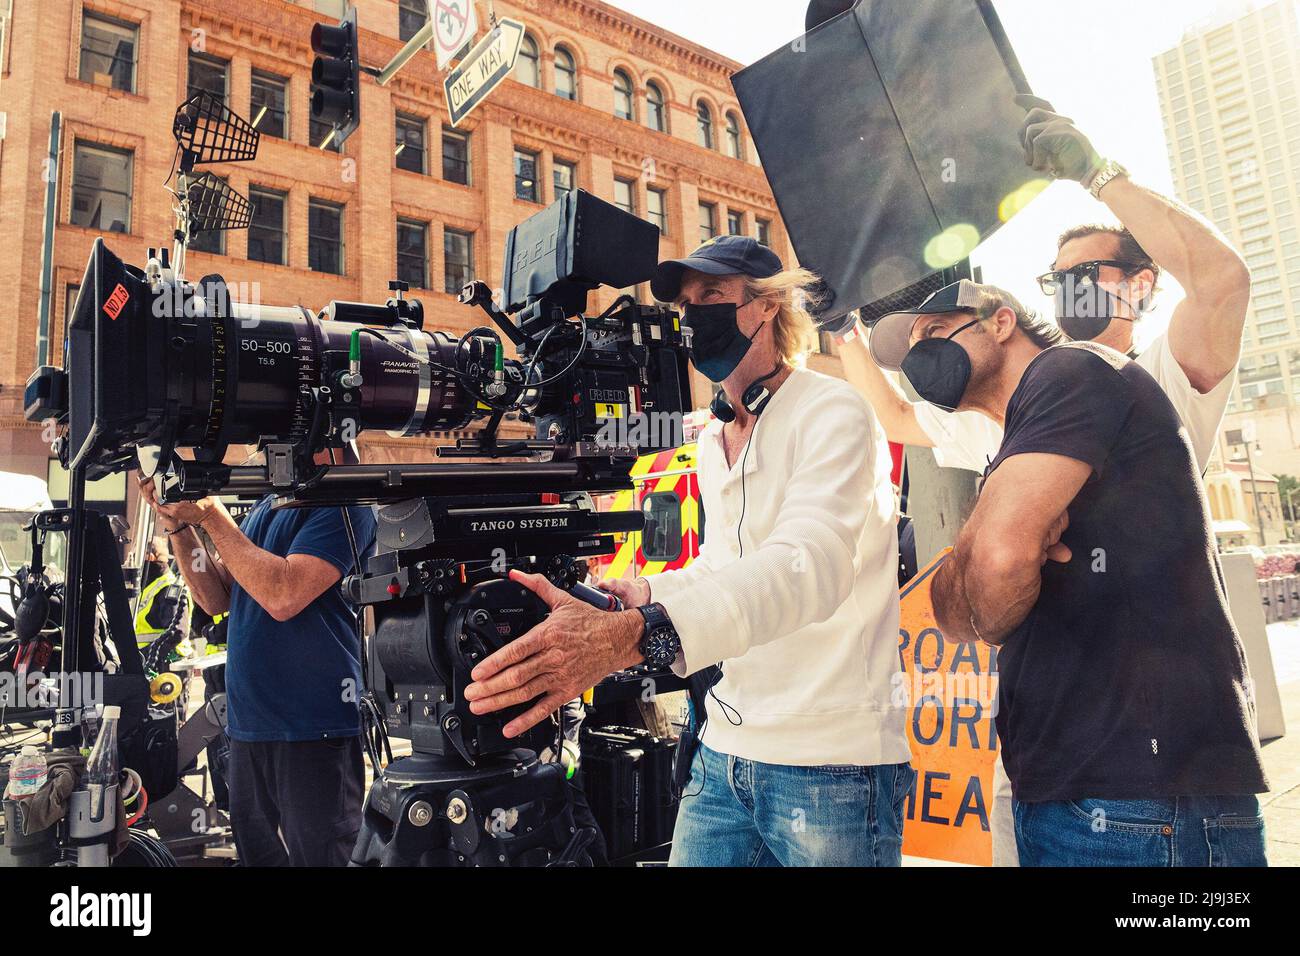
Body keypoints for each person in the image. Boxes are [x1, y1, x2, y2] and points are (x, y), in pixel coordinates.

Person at [841, 95, 1252, 865]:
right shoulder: (1011, 405)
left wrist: (1097, 174)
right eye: (1054, 275)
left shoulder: (1155, 372)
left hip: (1148, 776)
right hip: (1045, 764)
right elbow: (898, 423)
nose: (1068, 287)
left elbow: (1223, 281)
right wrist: (839, 332)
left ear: (1142, 284)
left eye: (1087, 272)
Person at [461, 235, 914, 866]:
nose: (693, 314)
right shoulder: (713, 438)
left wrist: (634, 635)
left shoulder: (833, 410)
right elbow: (726, 568)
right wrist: (646, 595)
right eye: (686, 304)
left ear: (765, 307)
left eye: (714, 297)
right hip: (725, 747)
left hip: (829, 763)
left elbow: (807, 564)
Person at [882, 278, 1268, 866]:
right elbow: (957, 617)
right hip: (1074, 793)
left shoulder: (1070, 371)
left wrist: (996, 552)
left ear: (1000, 322)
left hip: (1141, 796)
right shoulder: (1018, 439)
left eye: (934, 332)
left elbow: (996, 568)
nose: (920, 358)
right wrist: (991, 542)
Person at [136, 445, 376, 867]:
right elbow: (215, 595)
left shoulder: (343, 503)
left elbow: (284, 594)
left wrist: (212, 515)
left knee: (321, 858)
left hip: (310, 729)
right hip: (251, 727)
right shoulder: (270, 503)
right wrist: (178, 526)